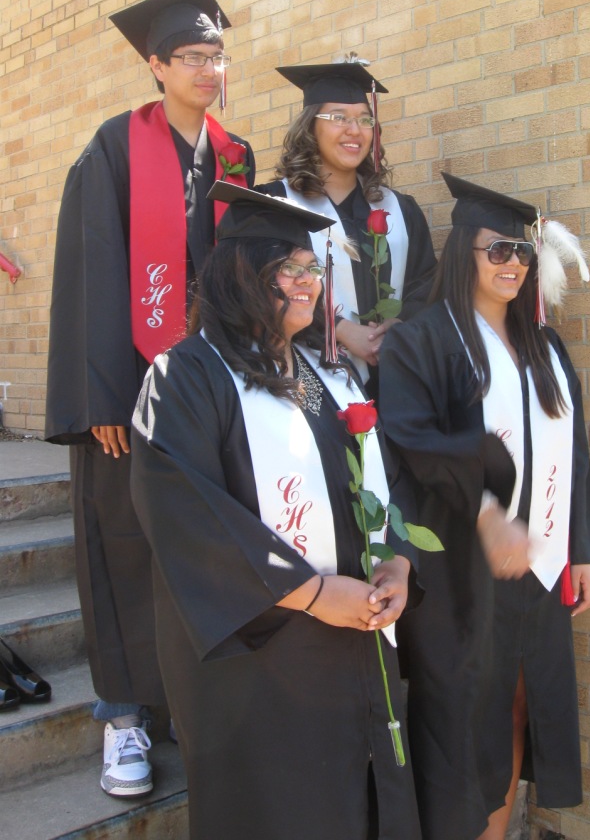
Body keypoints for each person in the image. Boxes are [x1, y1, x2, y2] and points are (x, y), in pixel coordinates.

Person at [130, 182, 422, 840]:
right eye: (285, 268)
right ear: (239, 273)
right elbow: (183, 513)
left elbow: (387, 477)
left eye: (311, 267)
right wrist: (314, 593)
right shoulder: (184, 376)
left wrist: (399, 560)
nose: (306, 282)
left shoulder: (329, 374)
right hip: (261, 662)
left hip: (357, 642)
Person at [44, 0, 255, 797]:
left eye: (217, 55)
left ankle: (196, 703)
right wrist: (101, 399)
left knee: (202, 544)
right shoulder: (114, 149)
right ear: (156, 64)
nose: (210, 70)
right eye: (193, 57)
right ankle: (124, 718)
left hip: (208, 397)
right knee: (120, 544)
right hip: (126, 396)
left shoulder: (234, 157)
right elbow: (89, 274)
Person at [378, 172, 590, 840]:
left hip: (539, 566)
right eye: (497, 251)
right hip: (462, 568)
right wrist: (484, 512)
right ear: (464, 255)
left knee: (515, 709)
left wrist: (580, 550)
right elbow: (408, 443)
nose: (513, 264)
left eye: (523, 254)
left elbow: (574, 450)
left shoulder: (545, 345)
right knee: (462, 721)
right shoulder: (422, 340)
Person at [256, 59, 436, 385]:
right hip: (306, 378)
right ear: (311, 126)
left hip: (394, 381)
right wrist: (337, 329)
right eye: (338, 117)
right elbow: (260, 288)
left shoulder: (401, 210)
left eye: (364, 119)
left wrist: (400, 325)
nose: (354, 130)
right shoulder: (275, 206)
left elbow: (426, 285)